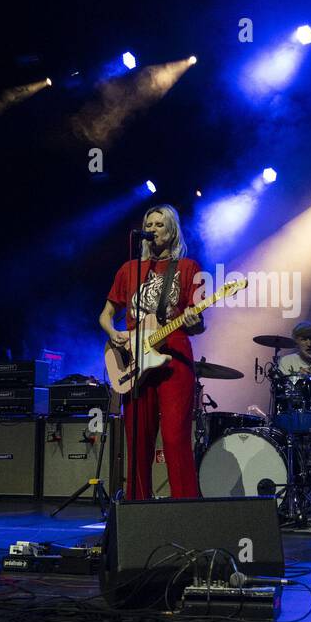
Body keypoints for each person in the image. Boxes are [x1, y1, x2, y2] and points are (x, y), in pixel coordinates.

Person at [99, 204, 204, 500]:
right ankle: (137, 511)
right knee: (137, 442)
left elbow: (198, 326)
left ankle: (185, 510)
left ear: (172, 231)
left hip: (174, 361)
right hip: (135, 361)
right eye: (150, 224)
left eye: (159, 224)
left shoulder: (188, 268)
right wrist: (114, 333)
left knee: (174, 439)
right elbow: (105, 315)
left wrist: (194, 322)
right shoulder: (129, 270)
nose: (153, 229)